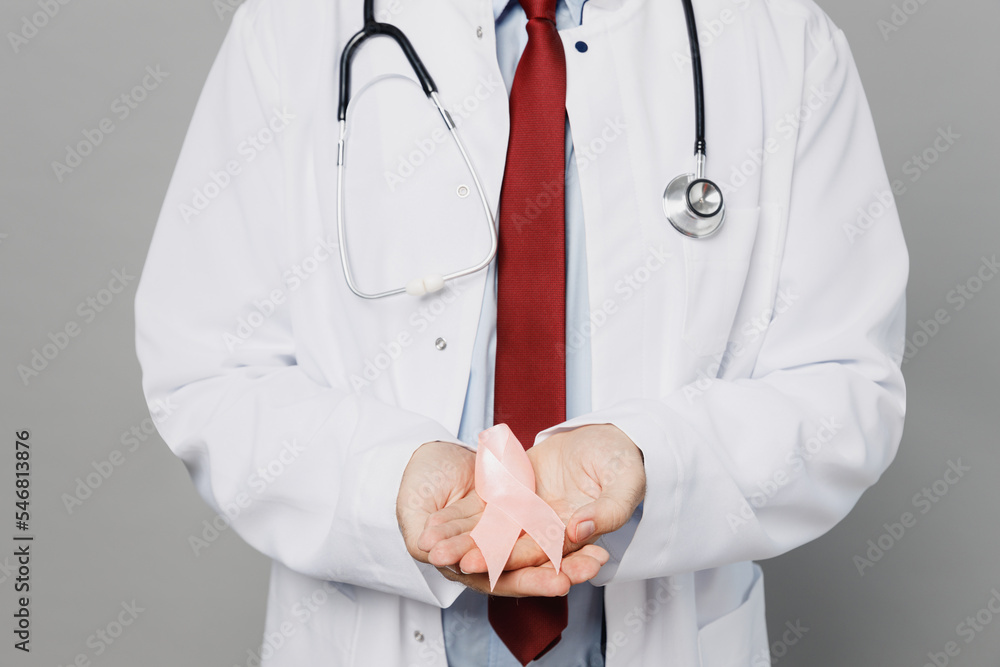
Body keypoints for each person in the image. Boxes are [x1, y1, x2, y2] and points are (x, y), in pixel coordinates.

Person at [134, 0, 908, 665]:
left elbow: (845, 388)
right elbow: (208, 370)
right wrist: (384, 483)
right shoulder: (292, 28)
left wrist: (653, 462)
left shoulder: (779, 37)